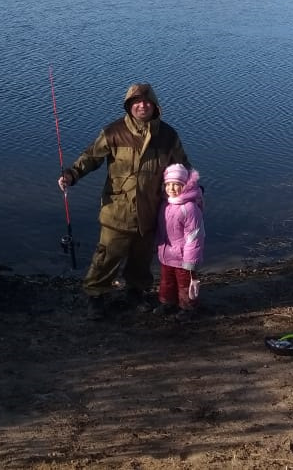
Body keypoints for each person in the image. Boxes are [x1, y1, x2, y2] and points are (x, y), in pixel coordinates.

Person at [57, 82, 190, 320]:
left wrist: (193, 193)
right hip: (117, 211)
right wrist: (71, 175)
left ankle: (136, 293)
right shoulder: (113, 132)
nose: (142, 106)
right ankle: (96, 296)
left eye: (147, 102)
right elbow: (90, 158)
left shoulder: (168, 135)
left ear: (155, 106)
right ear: (129, 106)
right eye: (137, 102)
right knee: (107, 256)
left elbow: (182, 167)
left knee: (142, 260)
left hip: (150, 210)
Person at [154, 163, 205, 323]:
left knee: (185, 284)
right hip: (167, 254)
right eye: (168, 184)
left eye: (176, 185)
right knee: (166, 281)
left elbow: (194, 236)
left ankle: (188, 308)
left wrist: (190, 260)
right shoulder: (166, 204)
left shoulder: (189, 208)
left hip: (184, 257)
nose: (172, 188)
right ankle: (168, 303)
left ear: (185, 185)